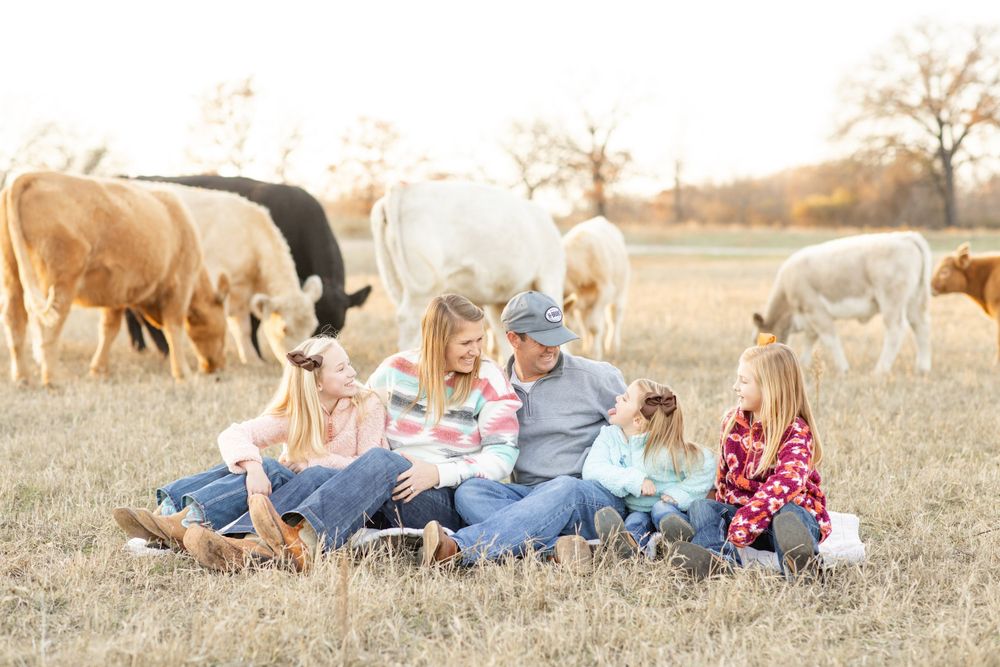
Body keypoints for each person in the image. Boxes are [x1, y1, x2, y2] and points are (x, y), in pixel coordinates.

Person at [241, 293, 522, 572]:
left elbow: (502, 456)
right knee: (317, 474)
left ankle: (306, 542)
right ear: (438, 341)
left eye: (479, 340)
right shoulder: (395, 369)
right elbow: (355, 410)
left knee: (383, 461)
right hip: (382, 489)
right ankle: (243, 539)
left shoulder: (489, 378)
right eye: (466, 343)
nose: (476, 350)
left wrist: (438, 473)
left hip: (443, 498)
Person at [112, 335, 387, 569]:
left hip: (335, 499)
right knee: (262, 467)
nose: (353, 373)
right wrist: (254, 467)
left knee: (276, 469)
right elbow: (235, 434)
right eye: (341, 369)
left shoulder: (366, 405)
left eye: (349, 365)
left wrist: (312, 461)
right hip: (293, 493)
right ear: (317, 383)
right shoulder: (298, 414)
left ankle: (186, 520)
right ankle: (178, 518)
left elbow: (370, 467)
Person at [420, 291, 628, 566]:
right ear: (513, 338)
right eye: (542, 341)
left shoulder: (598, 377)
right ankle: (554, 550)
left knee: (565, 487)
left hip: (589, 496)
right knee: (470, 491)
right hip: (529, 494)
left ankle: (460, 549)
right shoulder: (494, 387)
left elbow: (644, 430)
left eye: (558, 338)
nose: (552, 348)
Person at [666, 335, 831, 581]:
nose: (735, 387)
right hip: (742, 518)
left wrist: (745, 522)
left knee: (789, 514)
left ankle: (801, 563)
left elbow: (787, 482)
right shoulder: (732, 421)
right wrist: (720, 511)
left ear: (770, 387)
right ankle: (717, 560)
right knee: (702, 507)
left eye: (743, 381)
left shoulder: (795, 431)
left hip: (780, 521)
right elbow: (723, 477)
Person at [582, 379, 716, 559]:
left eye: (625, 398)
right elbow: (592, 469)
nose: (618, 398)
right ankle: (628, 546)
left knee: (661, 511)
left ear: (637, 421)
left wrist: (680, 494)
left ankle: (679, 537)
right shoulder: (609, 437)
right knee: (634, 522)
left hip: (667, 506)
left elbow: (706, 463)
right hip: (635, 508)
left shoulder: (664, 450)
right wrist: (634, 480)